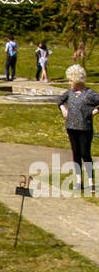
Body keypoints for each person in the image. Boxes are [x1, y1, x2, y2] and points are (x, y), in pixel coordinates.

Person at [57, 64, 97, 195]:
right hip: (71, 127)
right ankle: (78, 181)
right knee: (76, 154)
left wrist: (94, 111)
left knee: (85, 154)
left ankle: (91, 181)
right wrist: (63, 108)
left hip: (85, 128)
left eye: (70, 80)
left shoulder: (89, 94)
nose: (69, 83)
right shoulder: (69, 93)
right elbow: (59, 100)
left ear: (77, 80)